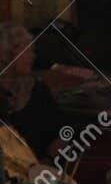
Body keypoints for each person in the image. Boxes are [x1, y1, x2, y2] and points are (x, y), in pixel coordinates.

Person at [0, 23, 66, 163]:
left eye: (32, 51)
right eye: (26, 51)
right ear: (7, 53)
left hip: (38, 174)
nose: (32, 57)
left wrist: (45, 163)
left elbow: (61, 135)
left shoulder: (37, 90)